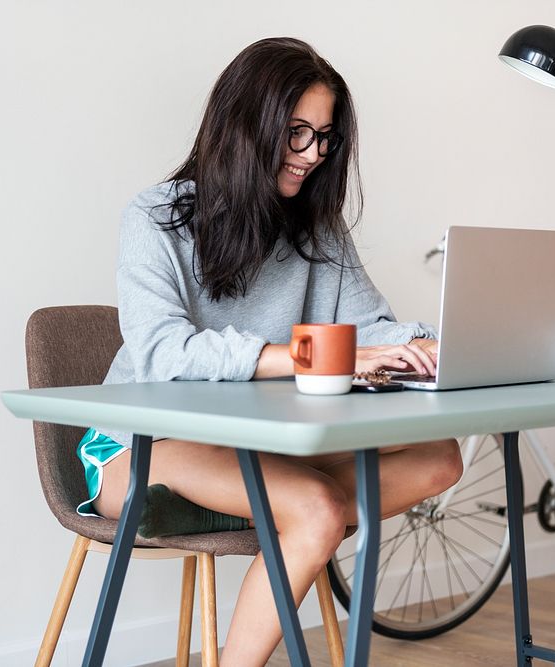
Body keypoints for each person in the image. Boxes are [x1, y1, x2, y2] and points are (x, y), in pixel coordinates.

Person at [78, 37, 463, 666]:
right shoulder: (155, 219)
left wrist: (425, 345)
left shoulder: (318, 231)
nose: (313, 154)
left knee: (439, 458)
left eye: (326, 137)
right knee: (317, 509)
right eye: (297, 133)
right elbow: (162, 352)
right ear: (247, 126)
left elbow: (368, 327)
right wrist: (319, 356)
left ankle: (300, 518)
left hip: (254, 441)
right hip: (136, 447)